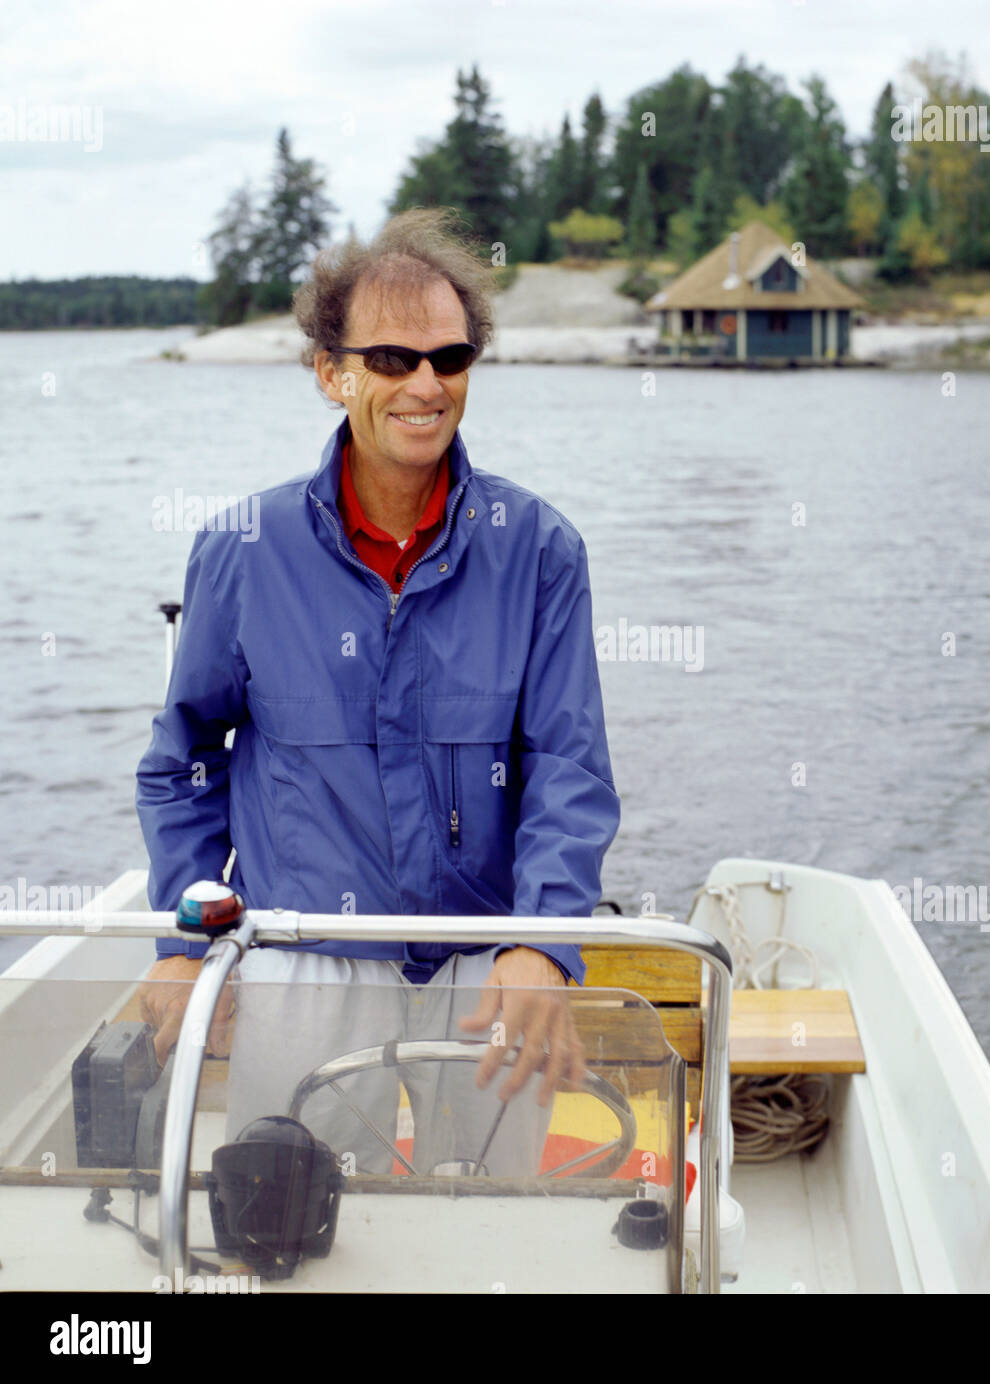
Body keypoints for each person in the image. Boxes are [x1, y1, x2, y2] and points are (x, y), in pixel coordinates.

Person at [135, 208, 620, 1174]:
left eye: (451, 356)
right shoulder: (242, 551)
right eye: (392, 358)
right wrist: (187, 940)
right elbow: (184, 768)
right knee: (285, 1227)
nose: (426, 385)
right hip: (306, 957)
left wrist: (545, 943)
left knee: (488, 1234)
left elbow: (568, 767)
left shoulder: (541, 551)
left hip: (492, 961)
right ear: (332, 373)